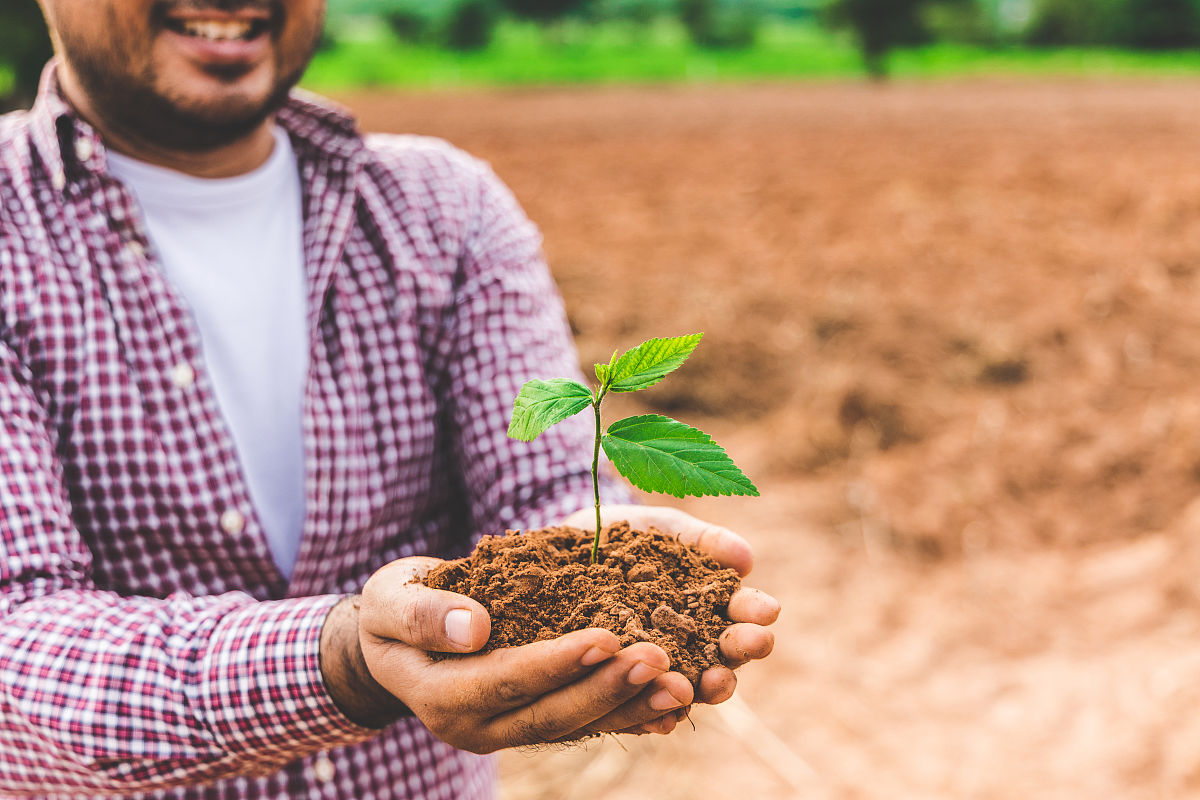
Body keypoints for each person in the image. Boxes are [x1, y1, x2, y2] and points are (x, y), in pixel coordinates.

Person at [0, 0, 781, 797]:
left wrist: (600, 556)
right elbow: (15, 629)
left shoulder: (443, 207)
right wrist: (344, 659)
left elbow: (541, 492)